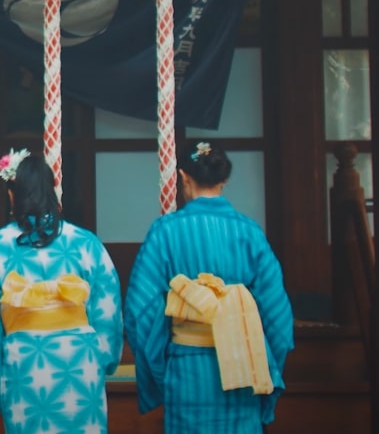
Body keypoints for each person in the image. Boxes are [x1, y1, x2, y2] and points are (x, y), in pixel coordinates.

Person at [124, 141, 294, 433]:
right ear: (224, 180)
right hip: (244, 366)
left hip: (187, 369)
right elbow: (278, 316)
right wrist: (265, 366)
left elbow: (140, 313)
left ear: (183, 177)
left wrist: (161, 371)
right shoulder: (249, 232)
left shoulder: (165, 231)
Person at [0, 148, 123, 433]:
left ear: (12, 194)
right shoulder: (86, 243)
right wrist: (103, 361)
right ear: (52, 191)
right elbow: (108, 312)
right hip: (80, 362)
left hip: (24, 362)